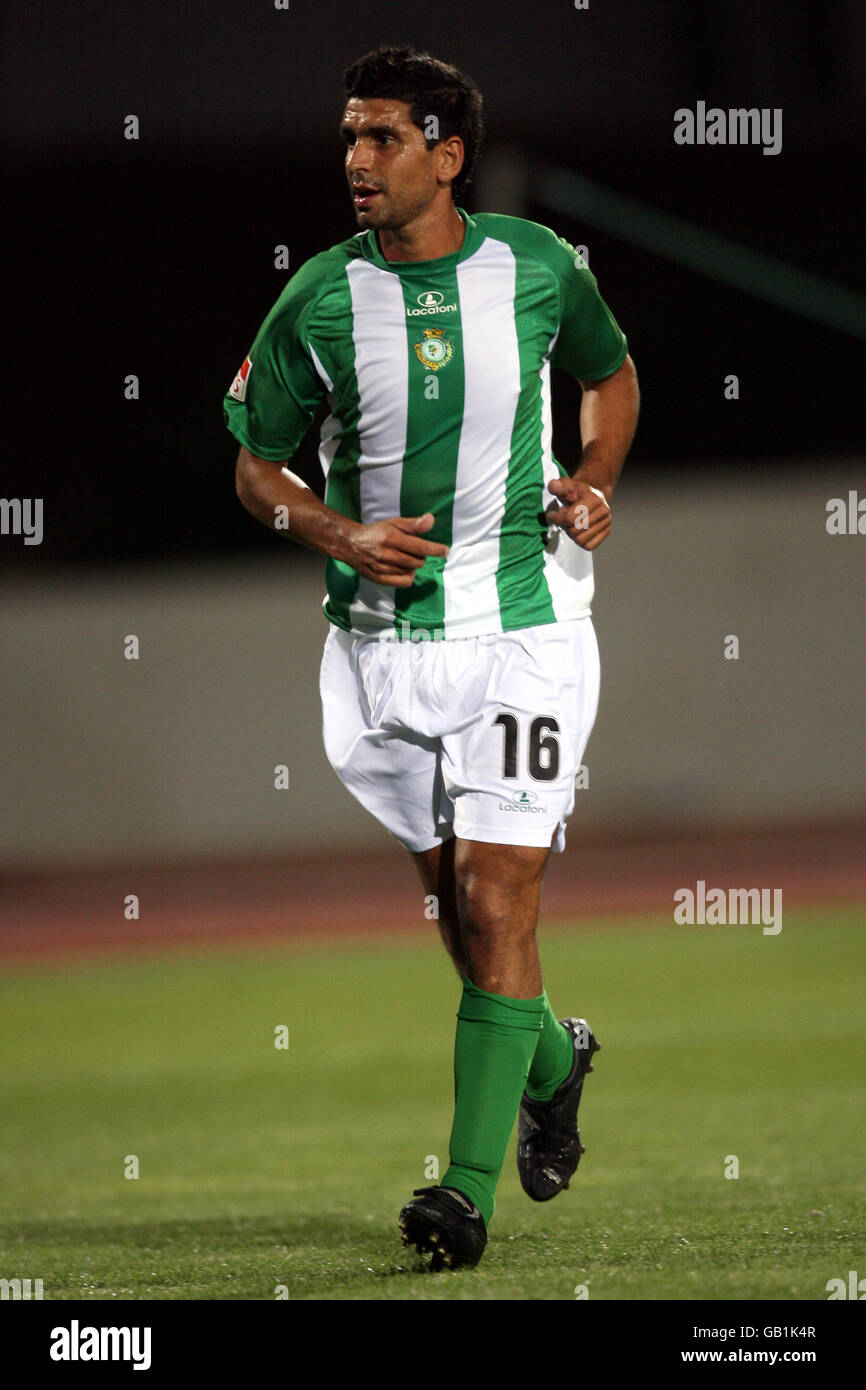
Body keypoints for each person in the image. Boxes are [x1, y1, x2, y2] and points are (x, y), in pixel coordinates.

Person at [225, 44, 639, 1272]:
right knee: (457, 918)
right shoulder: (314, 299)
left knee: (496, 896)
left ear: (445, 155)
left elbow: (610, 376)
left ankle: (460, 1195)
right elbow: (256, 467)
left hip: (521, 628)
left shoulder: (538, 268)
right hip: (375, 653)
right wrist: (334, 525)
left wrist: (593, 481)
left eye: (382, 138)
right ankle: (554, 1058)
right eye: (348, 138)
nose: (356, 161)